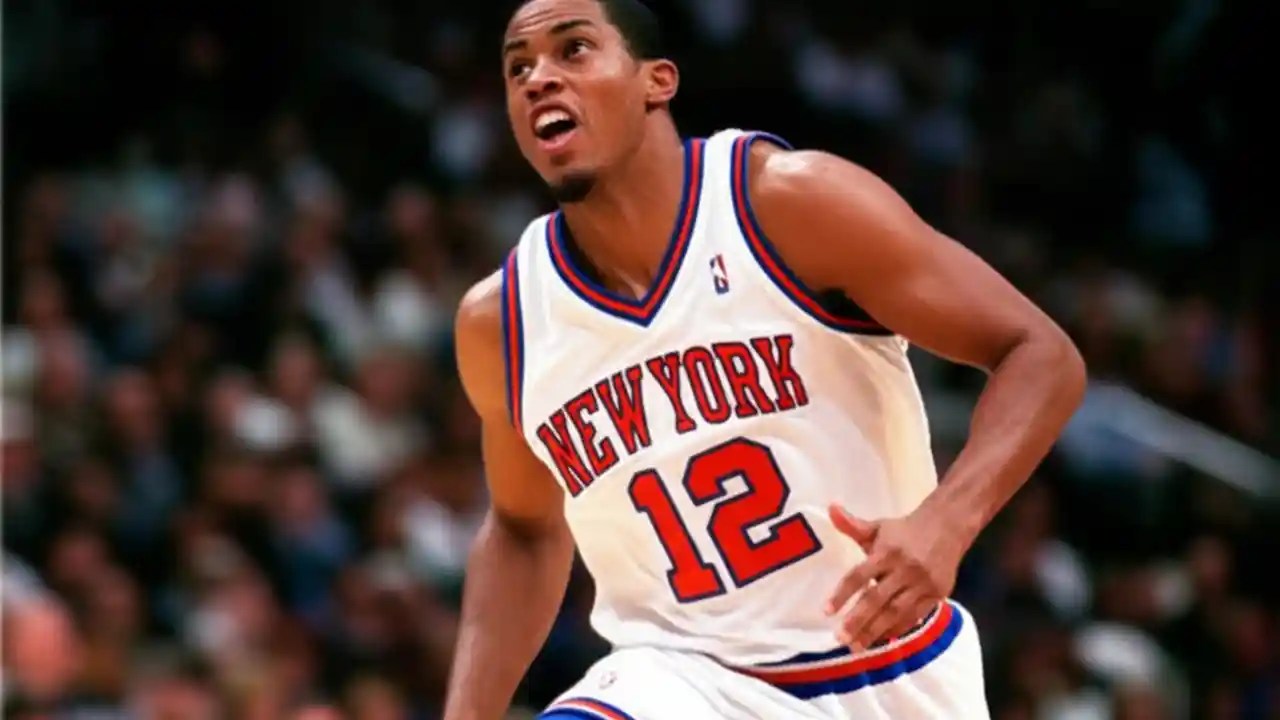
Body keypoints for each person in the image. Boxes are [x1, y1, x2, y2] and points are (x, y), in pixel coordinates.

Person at [444, 0, 1087, 718]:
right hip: (677, 680)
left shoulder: (785, 203)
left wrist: (946, 522)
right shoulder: (504, 323)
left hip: (887, 672)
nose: (539, 79)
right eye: (518, 67)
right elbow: (523, 529)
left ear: (656, 81)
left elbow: (1041, 353)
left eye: (573, 50)